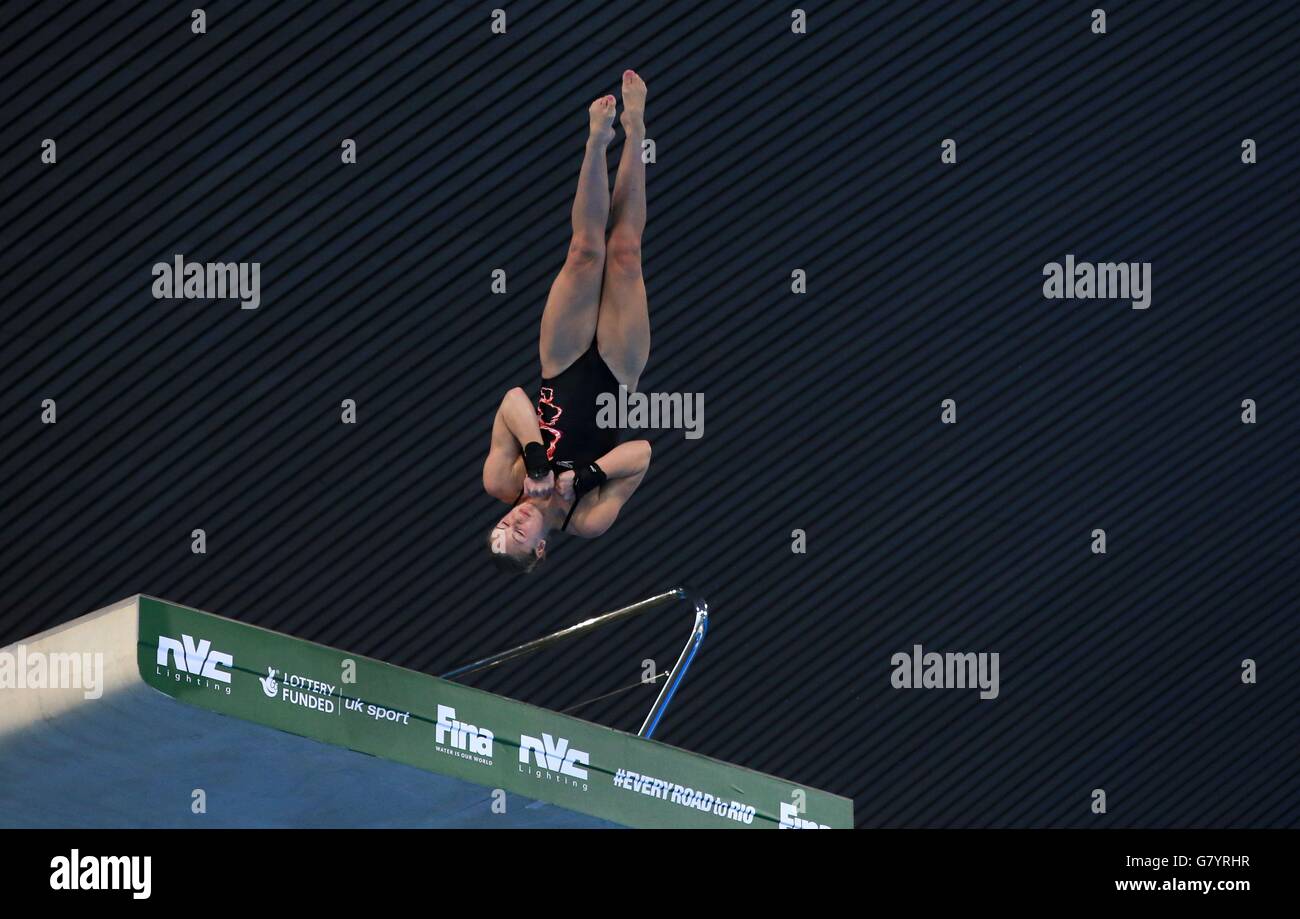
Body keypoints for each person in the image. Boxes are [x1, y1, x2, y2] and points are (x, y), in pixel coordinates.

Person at [483, 71, 654, 574]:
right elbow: (641, 452)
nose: (513, 518)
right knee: (624, 252)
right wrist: (582, 477)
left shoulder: (502, 482)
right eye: (518, 532)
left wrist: (536, 460)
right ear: (539, 548)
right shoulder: (587, 519)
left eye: (503, 523)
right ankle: (638, 130)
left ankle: (597, 141)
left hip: (560, 363)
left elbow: (513, 399)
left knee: (584, 251)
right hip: (617, 375)